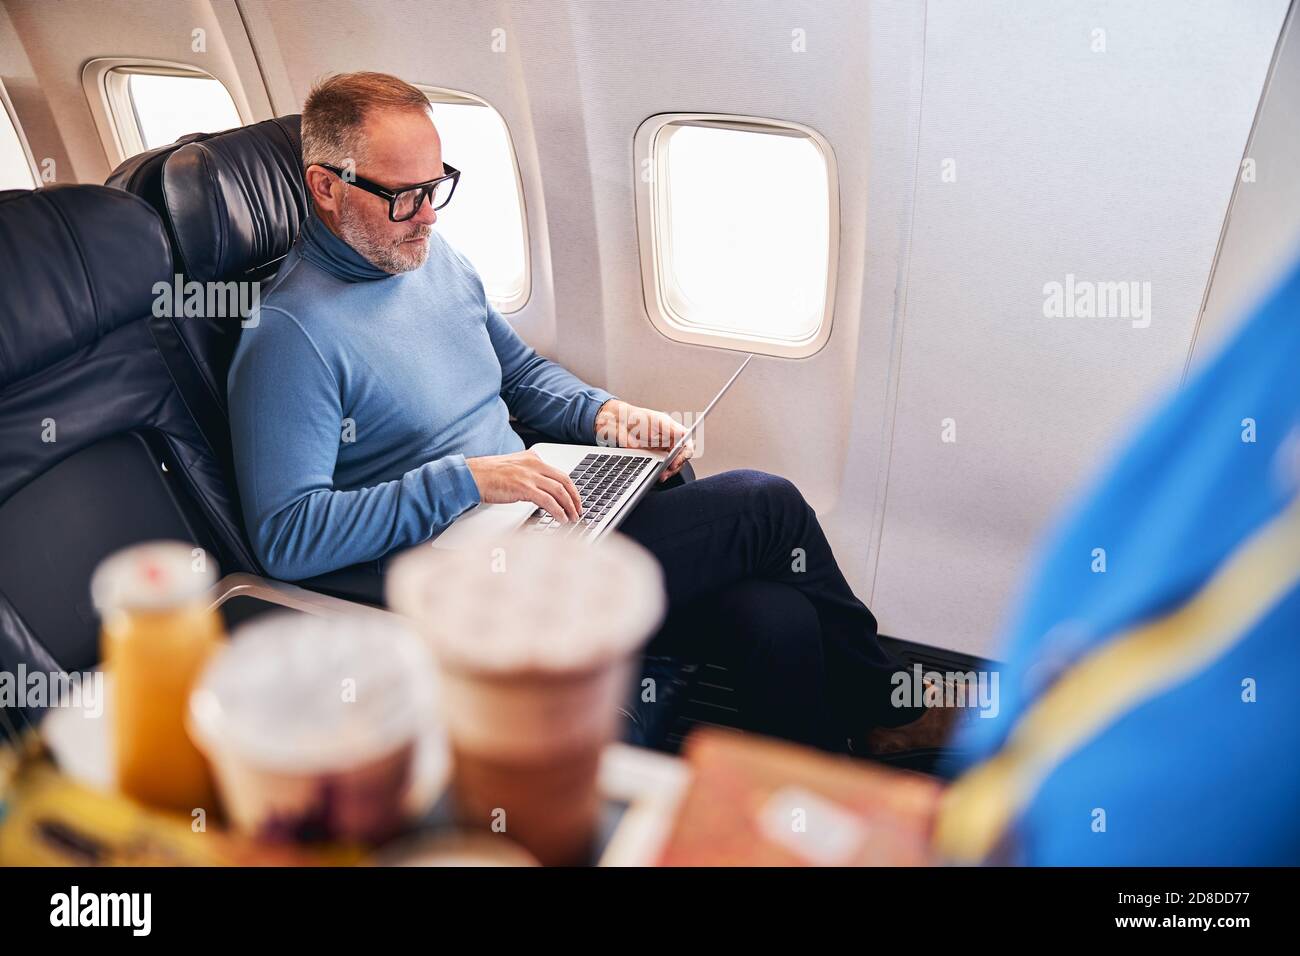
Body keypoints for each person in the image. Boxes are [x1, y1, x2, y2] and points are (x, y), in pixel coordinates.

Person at [227, 71, 952, 754]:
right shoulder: (289, 339)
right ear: (325, 187)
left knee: (775, 619)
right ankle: (895, 707)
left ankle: (797, 803)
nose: (425, 217)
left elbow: (519, 373)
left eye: (436, 186)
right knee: (766, 504)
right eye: (402, 196)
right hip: (467, 584)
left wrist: (609, 418)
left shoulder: (431, 259)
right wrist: (468, 480)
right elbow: (289, 537)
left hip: (535, 518)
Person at [934, 251, 1300, 865]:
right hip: (1022, 807)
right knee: (773, 544)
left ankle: (862, 724)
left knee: (777, 587)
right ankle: (876, 717)